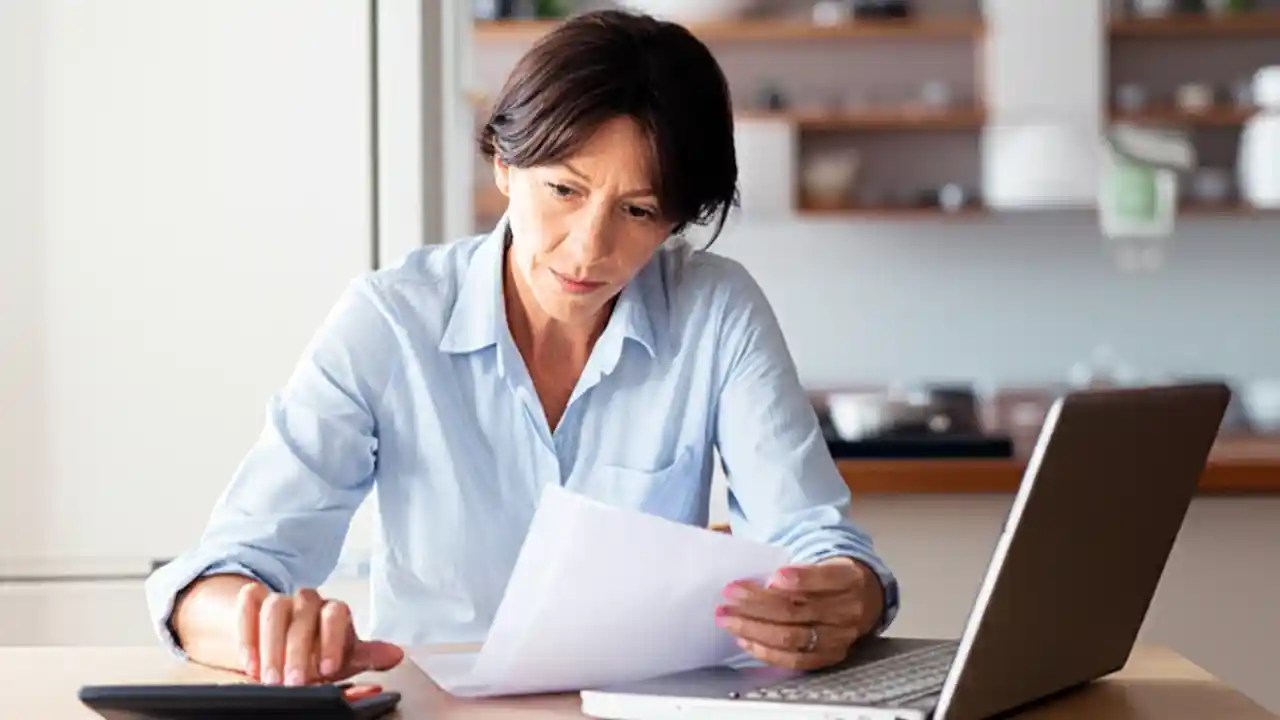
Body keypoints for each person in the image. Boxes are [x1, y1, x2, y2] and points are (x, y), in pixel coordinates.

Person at [145, 9, 899, 688]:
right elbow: (216, 575)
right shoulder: (390, 322)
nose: (589, 248)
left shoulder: (716, 310)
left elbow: (816, 538)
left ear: (675, 222)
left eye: (637, 211)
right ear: (504, 165)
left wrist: (845, 596)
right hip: (434, 707)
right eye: (564, 191)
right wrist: (261, 629)